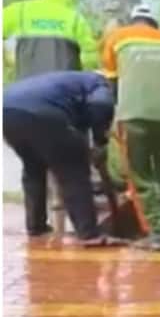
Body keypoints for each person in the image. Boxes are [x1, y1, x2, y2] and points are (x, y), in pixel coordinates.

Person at [3, 71, 124, 246]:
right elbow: (101, 104)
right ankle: (89, 234)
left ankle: (36, 226)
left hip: (7, 112)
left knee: (33, 168)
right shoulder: (97, 81)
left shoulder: (65, 82)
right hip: (43, 112)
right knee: (74, 172)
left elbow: (79, 119)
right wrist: (100, 141)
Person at [101, 4, 160, 251]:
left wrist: (114, 117)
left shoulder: (117, 38)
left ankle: (156, 235)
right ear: (154, 24)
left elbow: (111, 82)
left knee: (139, 176)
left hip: (134, 116)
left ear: (133, 21)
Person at [2, 0, 98, 79]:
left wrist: (8, 57)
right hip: (63, 85)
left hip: (27, 84)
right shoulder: (75, 19)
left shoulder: (21, 11)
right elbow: (89, 55)